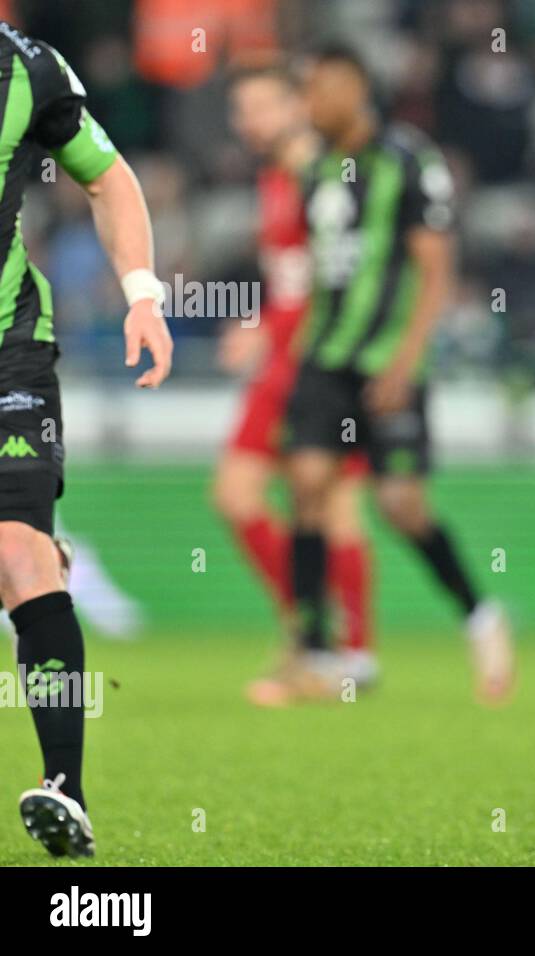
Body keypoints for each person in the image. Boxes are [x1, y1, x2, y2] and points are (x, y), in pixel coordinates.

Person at [283, 44, 514, 704]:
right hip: (325, 354)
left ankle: (481, 616)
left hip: (391, 357)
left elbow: (435, 268)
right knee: (306, 483)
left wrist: (407, 361)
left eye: (321, 89)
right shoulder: (314, 170)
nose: (312, 103)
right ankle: (315, 652)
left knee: (400, 505)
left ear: (357, 89)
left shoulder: (408, 159)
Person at [0, 21, 172, 856]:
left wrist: (141, 292)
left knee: (21, 554)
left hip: (10, 351)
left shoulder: (30, 67)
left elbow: (108, 180)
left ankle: (64, 787)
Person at [217, 62, 377, 702]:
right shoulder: (280, 173)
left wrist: (271, 329)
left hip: (321, 357)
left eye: (260, 106)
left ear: (296, 105)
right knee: (253, 497)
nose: (246, 122)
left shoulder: (322, 171)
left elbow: (337, 273)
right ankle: (320, 636)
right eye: (240, 110)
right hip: (288, 358)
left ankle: (336, 652)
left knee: (329, 505)